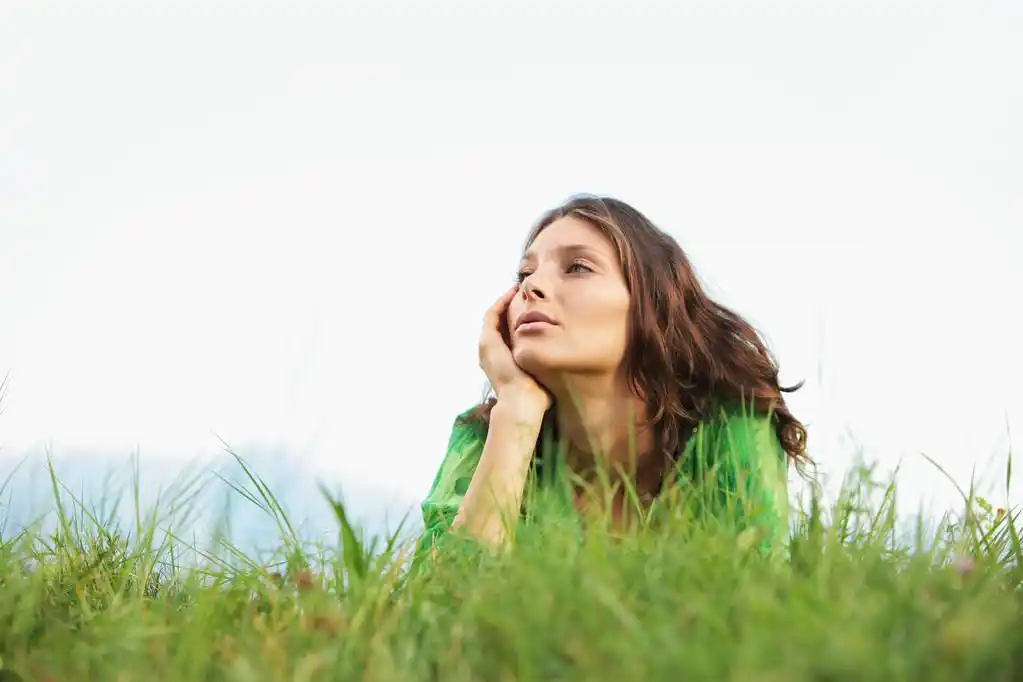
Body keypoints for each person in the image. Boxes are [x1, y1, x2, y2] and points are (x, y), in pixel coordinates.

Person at [417, 194, 810, 559]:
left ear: (651, 304)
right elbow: (440, 611)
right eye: (524, 273)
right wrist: (516, 412)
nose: (531, 286)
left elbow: (747, 596)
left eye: (577, 268)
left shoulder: (728, 423)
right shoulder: (486, 436)